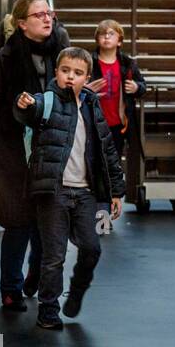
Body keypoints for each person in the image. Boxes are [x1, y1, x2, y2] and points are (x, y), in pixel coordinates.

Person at [0, 0, 69, 311]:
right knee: (18, 222)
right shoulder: (3, 60)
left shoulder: (63, 58)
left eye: (49, 13)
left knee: (46, 222)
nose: (46, 18)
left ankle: (35, 276)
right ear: (22, 23)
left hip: (50, 151)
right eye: (39, 14)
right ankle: (10, 288)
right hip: (11, 152)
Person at [15, 47, 125, 329]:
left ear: (87, 77)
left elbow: (106, 148)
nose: (70, 77)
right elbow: (28, 112)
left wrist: (116, 191)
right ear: (56, 72)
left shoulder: (91, 105)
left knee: (91, 249)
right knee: (54, 256)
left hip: (86, 193)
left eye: (77, 73)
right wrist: (23, 104)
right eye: (65, 71)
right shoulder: (47, 101)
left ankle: (76, 291)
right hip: (54, 191)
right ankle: (48, 309)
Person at [88, 20, 146, 204]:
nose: (106, 37)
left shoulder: (127, 64)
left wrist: (136, 87)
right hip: (94, 122)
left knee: (113, 164)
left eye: (111, 33)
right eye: (102, 33)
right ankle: (97, 204)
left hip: (118, 124)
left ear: (119, 41)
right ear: (97, 39)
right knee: (95, 162)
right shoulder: (90, 62)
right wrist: (87, 90)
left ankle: (109, 203)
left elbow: (143, 85)